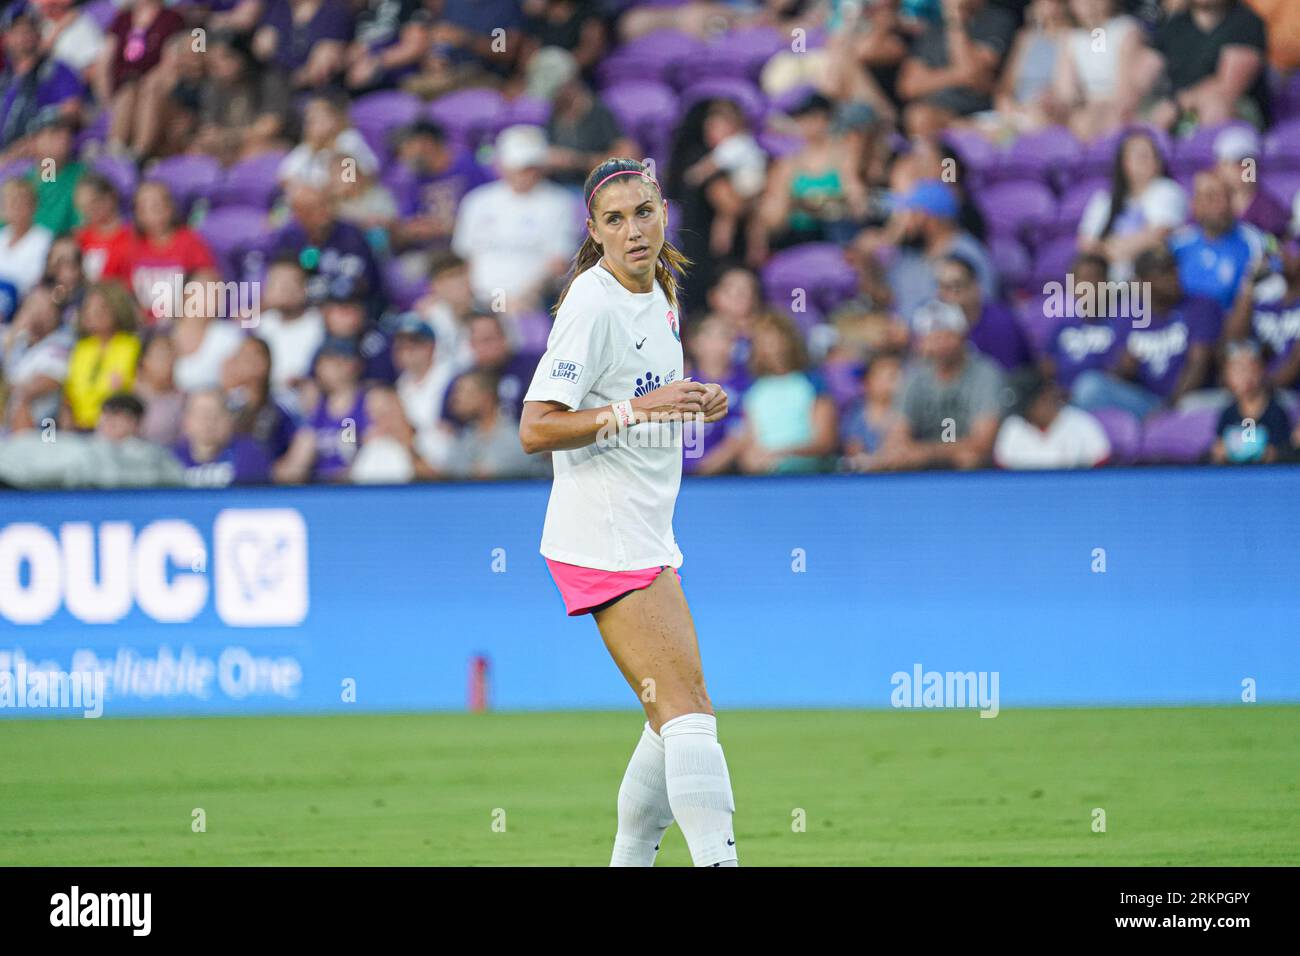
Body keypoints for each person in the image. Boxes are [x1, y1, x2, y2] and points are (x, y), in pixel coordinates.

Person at [518, 158, 739, 868]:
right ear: (594, 230)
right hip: (602, 536)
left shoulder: (661, 288)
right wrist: (638, 408)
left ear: (663, 211)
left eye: (643, 212)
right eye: (615, 219)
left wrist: (691, 398)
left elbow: (647, 392)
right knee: (689, 713)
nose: (633, 229)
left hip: (643, 527)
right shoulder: (592, 302)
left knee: (669, 711)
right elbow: (536, 428)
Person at [1071, 246, 1222, 418]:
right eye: (1161, 274)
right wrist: (1124, 369)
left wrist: (1171, 407)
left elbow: (1198, 365)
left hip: (1187, 402)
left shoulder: (1201, 307)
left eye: (1173, 270)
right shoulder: (1128, 316)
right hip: (1147, 402)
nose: (1172, 278)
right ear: (1141, 282)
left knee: (1195, 405)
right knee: (1090, 386)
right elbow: (1114, 372)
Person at [451, 124, 583, 310]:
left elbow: (558, 263)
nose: (527, 173)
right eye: (520, 166)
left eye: (532, 166)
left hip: (528, 300)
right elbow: (463, 257)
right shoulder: (477, 201)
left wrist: (525, 297)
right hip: (477, 299)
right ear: (502, 165)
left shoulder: (560, 202)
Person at [872, 298, 1004, 470]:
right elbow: (897, 435)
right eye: (933, 337)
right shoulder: (915, 376)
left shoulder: (985, 373)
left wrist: (926, 453)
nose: (940, 344)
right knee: (890, 457)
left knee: (970, 459)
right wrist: (905, 452)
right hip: (924, 459)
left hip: (963, 461)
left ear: (963, 336)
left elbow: (983, 442)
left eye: (947, 336)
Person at [734, 311, 840, 474]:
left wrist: (782, 454)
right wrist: (752, 459)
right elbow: (750, 439)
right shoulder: (753, 389)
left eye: (775, 337)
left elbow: (825, 441)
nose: (771, 345)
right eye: (763, 339)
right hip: (764, 469)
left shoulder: (812, 382)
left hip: (805, 467)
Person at [1077, 127, 1187, 281]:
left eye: (1151, 155)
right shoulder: (1104, 199)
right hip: (1107, 280)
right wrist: (1114, 251)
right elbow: (1086, 244)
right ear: (1123, 162)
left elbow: (1157, 235)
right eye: (1139, 155)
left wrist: (1110, 249)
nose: (1146, 160)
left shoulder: (1167, 191)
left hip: (1146, 278)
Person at [1148, 0, 1269, 131]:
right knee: (1139, 131)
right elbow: (1148, 72)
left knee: (1216, 108)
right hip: (1176, 111)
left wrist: (1176, 104)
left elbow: (1228, 87)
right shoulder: (1175, 25)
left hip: (1235, 113)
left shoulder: (1246, 22)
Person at [1049, 0, 1148, 142]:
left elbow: (1125, 91)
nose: (1089, 3)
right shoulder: (1070, 37)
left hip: (1120, 107)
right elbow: (1066, 92)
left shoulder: (1127, 29)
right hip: (1085, 108)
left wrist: (1100, 109)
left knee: (1104, 122)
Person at [1170, 170, 1260, 311]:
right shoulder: (1178, 244)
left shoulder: (1253, 241)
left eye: (1226, 196)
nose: (1221, 204)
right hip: (1183, 326)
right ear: (1195, 204)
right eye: (1211, 197)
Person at [993, 368, 1111, 469]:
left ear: (1045, 396)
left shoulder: (1082, 424)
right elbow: (1004, 478)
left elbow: (1101, 474)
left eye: (1027, 407)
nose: (1025, 414)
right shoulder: (1013, 426)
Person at [63, 280, 142, 430]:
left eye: (102, 307)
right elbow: (70, 395)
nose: (94, 313)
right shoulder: (81, 348)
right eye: (89, 307)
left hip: (116, 428)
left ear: (117, 308)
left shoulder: (131, 346)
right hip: (79, 428)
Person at [444, 369, 550, 479]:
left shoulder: (516, 437)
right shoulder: (465, 436)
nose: (455, 399)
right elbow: (451, 472)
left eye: (464, 392)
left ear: (486, 397)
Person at [934, 253, 1032, 371]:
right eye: (943, 287)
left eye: (956, 286)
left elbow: (1004, 381)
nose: (948, 296)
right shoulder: (936, 324)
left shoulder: (999, 324)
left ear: (975, 288)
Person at [1, 282, 72, 431]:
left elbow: (47, 382)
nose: (37, 313)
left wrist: (9, 389)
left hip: (47, 425)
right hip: (13, 427)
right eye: (32, 306)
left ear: (55, 313)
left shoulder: (62, 341)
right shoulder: (20, 340)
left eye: (44, 308)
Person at [1211, 339, 1295, 463]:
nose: (1246, 376)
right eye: (1238, 371)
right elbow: (1218, 448)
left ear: (1262, 371)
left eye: (1250, 369)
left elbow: (1284, 450)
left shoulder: (1276, 413)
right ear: (1227, 377)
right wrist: (1220, 452)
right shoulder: (1227, 414)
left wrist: (1274, 453)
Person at [173, 387, 272, 486]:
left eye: (216, 413)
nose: (208, 421)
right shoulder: (171, 461)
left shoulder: (250, 456)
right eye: (201, 413)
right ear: (186, 421)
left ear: (229, 420)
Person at [841, 351, 904, 470]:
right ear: (868, 381)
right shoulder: (856, 415)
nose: (898, 382)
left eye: (899, 376)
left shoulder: (905, 413)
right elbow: (853, 450)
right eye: (891, 376)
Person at [0, 177, 54, 295]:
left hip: (25, 300)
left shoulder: (44, 239)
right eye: (11, 202)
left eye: (21, 202)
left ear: (33, 206)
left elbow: (36, 279)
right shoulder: (2, 236)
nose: (16, 208)